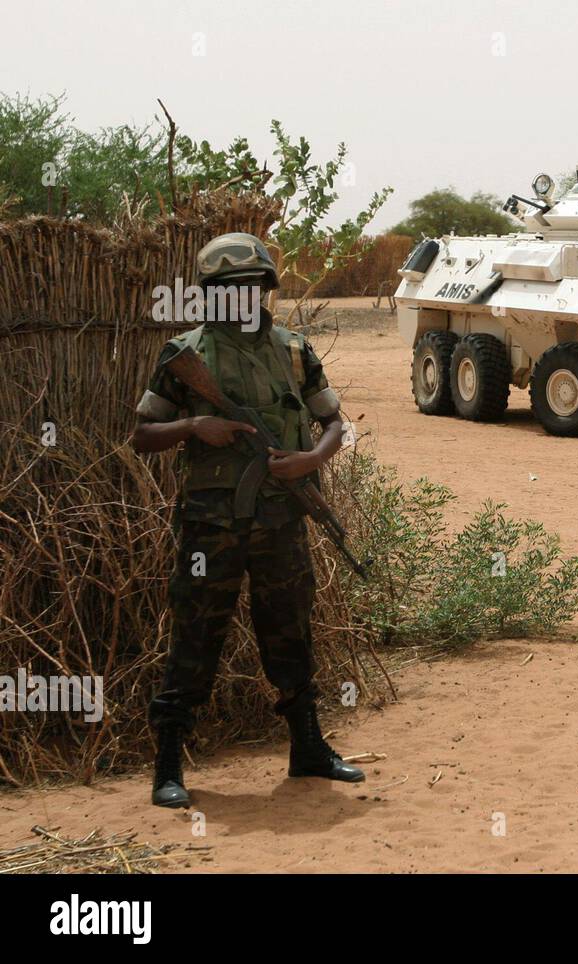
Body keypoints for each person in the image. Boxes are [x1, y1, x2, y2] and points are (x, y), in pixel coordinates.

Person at [131, 232, 364, 808]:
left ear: (266, 290)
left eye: (255, 287)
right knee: (196, 633)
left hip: (282, 519)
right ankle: (168, 765)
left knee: (290, 630)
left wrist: (310, 458)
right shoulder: (185, 355)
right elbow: (141, 435)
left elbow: (334, 422)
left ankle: (307, 748)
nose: (245, 298)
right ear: (211, 295)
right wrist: (193, 428)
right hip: (211, 527)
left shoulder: (293, 350)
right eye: (232, 289)